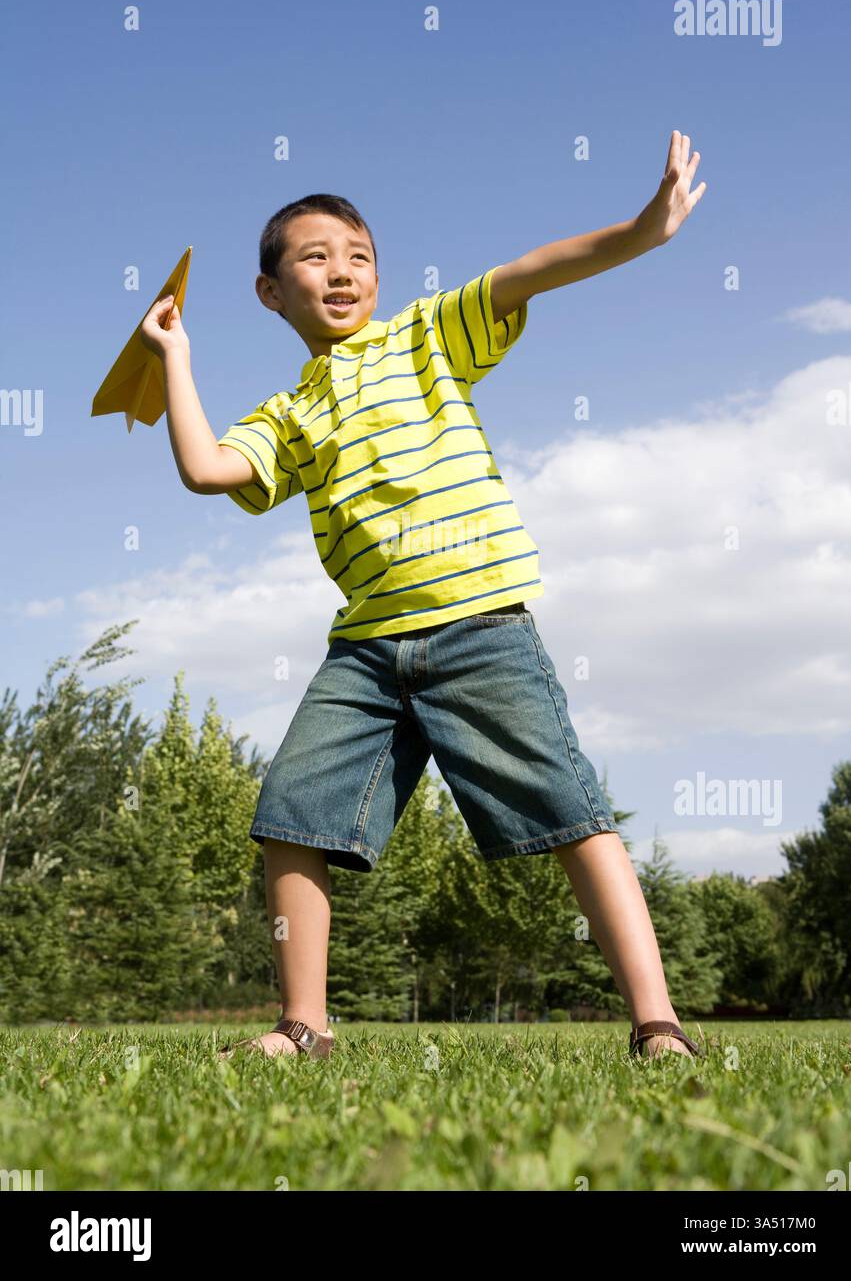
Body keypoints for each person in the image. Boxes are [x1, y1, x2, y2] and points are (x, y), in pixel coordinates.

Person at [141, 130, 707, 1063]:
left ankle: (657, 1024)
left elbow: (529, 272)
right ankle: (305, 1028)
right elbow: (208, 469)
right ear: (270, 292)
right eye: (314, 258)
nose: (342, 271)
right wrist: (174, 354)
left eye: (359, 257)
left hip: (481, 628)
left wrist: (641, 232)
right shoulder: (289, 413)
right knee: (290, 812)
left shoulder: (426, 336)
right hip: (367, 651)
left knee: (572, 810)